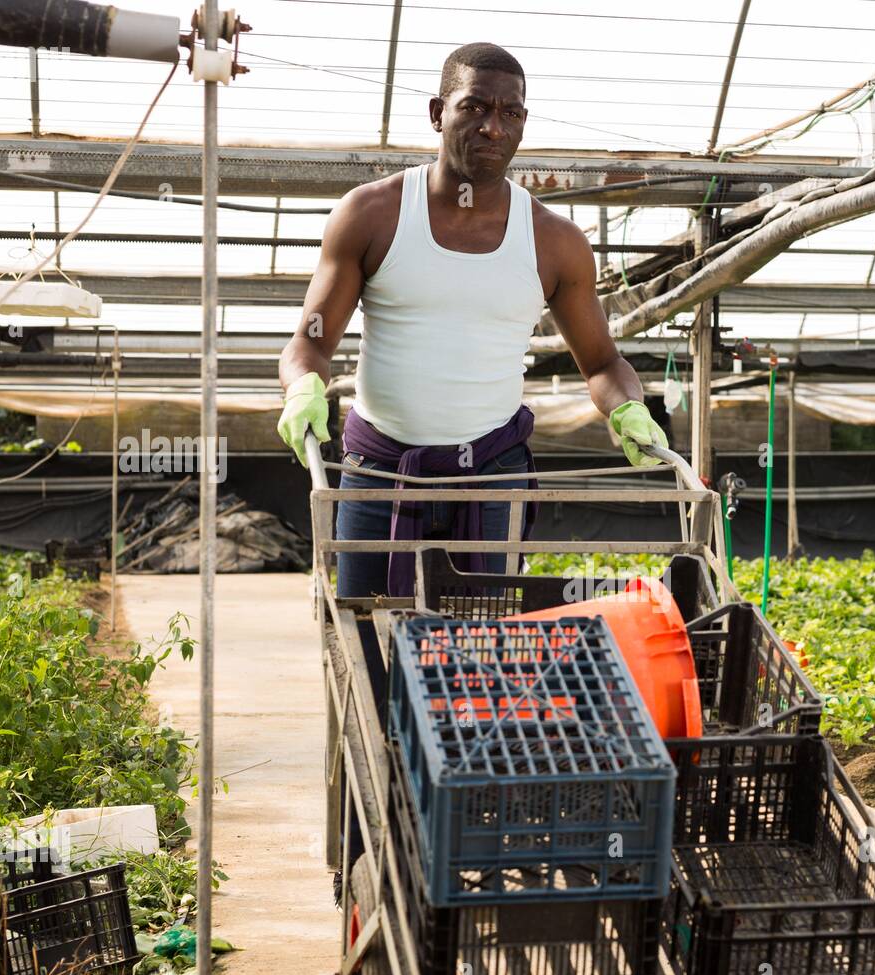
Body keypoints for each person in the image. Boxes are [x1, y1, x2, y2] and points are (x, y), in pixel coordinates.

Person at [275, 41, 666, 898]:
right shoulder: (373, 214)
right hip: (379, 475)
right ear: (437, 113)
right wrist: (304, 384)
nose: (492, 126)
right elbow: (310, 336)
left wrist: (630, 407)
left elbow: (601, 360)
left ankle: (460, 843)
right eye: (474, 107)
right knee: (364, 659)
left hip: (490, 473)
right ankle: (361, 849)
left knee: (476, 658)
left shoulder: (553, 240)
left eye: (510, 113)